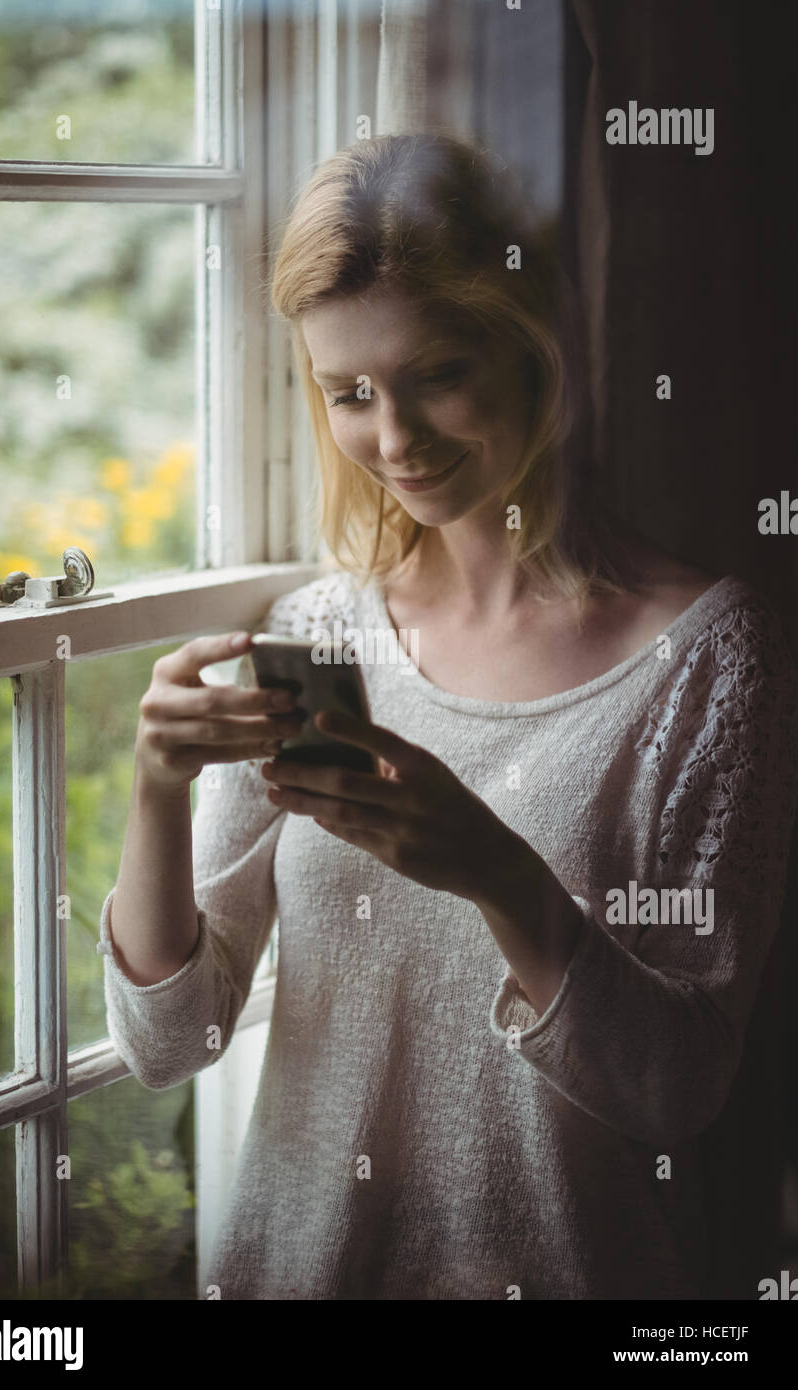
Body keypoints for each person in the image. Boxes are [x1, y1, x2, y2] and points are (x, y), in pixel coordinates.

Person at [99, 133, 798, 1299]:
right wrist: (156, 787)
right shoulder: (319, 638)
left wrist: (495, 869)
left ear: (535, 346)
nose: (395, 438)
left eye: (438, 373)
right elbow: (173, 1042)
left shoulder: (710, 659)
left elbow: (678, 1090)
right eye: (349, 394)